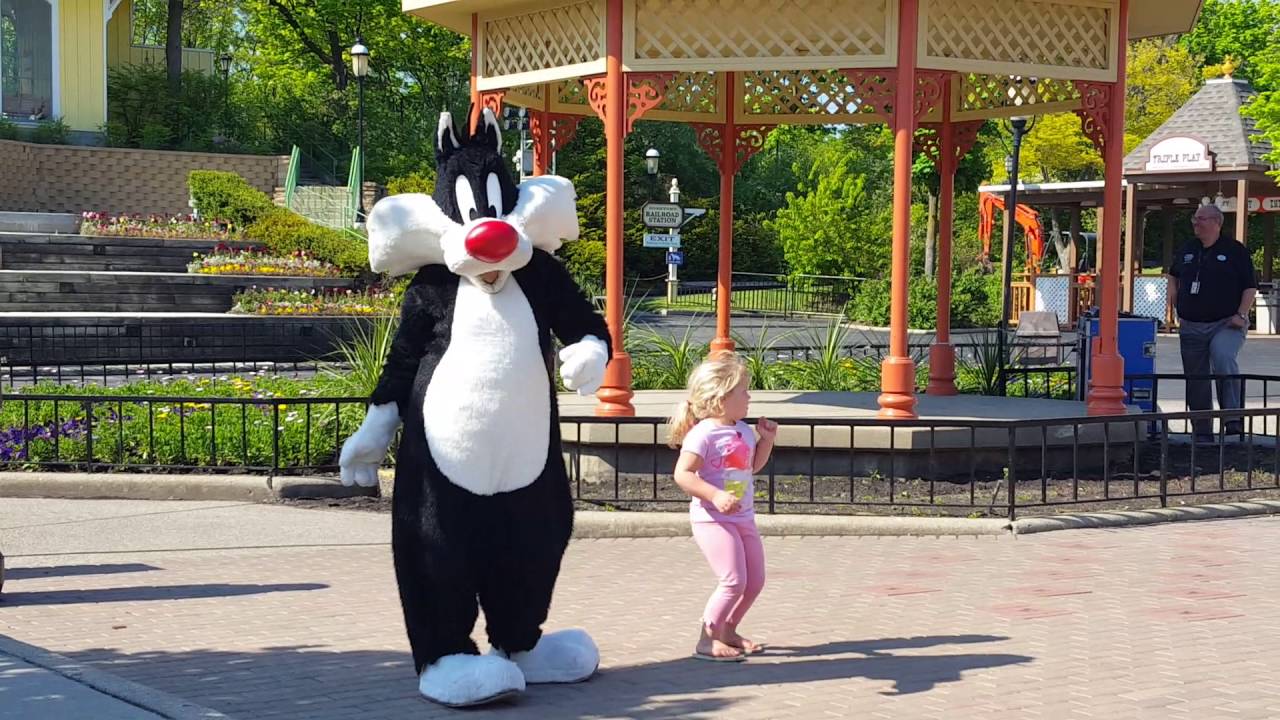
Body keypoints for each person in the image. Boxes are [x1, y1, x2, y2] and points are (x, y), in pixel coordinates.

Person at [668, 352, 778, 662]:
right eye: (743, 391)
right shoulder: (702, 434)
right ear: (721, 397)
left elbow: (751, 466)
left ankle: (728, 630)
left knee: (754, 581)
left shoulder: (742, 430)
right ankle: (707, 638)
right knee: (733, 581)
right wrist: (714, 495)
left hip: (743, 517)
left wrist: (766, 440)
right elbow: (683, 474)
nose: (749, 397)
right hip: (712, 519)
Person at [1166, 203, 1257, 442]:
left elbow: (1250, 286)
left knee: (1222, 355)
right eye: (1195, 218)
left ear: (1217, 222)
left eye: (1202, 219)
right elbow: (1173, 274)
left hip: (1226, 322)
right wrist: (1174, 299)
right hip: (1191, 323)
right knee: (1196, 377)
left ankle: (1232, 417)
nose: (1196, 223)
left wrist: (1241, 314)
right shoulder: (1188, 249)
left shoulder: (1235, 250)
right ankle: (1202, 430)